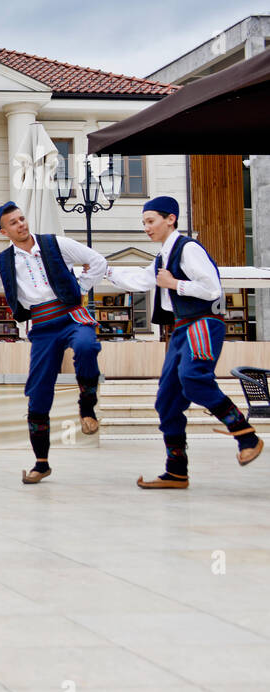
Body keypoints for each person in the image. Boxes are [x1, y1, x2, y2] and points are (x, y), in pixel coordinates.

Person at [0, 201, 107, 484]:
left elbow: (98, 262)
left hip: (72, 314)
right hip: (42, 326)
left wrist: (81, 287)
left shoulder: (56, 244)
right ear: (4, 232)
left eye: (22, 219)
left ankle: (87, 406)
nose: (21, 225)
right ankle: (41, 462)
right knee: (38, 390)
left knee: (87, 346)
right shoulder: (2, 263)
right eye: (13, 223)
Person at [104, 195, 262, 487]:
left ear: (170, 219)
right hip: (182, 328)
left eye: (150, 221)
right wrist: (105, 271)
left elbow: (212, 288)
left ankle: (246, 436)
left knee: (193, 378)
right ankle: (176, 470)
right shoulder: (163, 256)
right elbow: (141, 281)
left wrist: (174, 284)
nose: (146, 228)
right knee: (167, 401)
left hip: (203, 323)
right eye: (144, 223)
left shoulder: (188, 249)